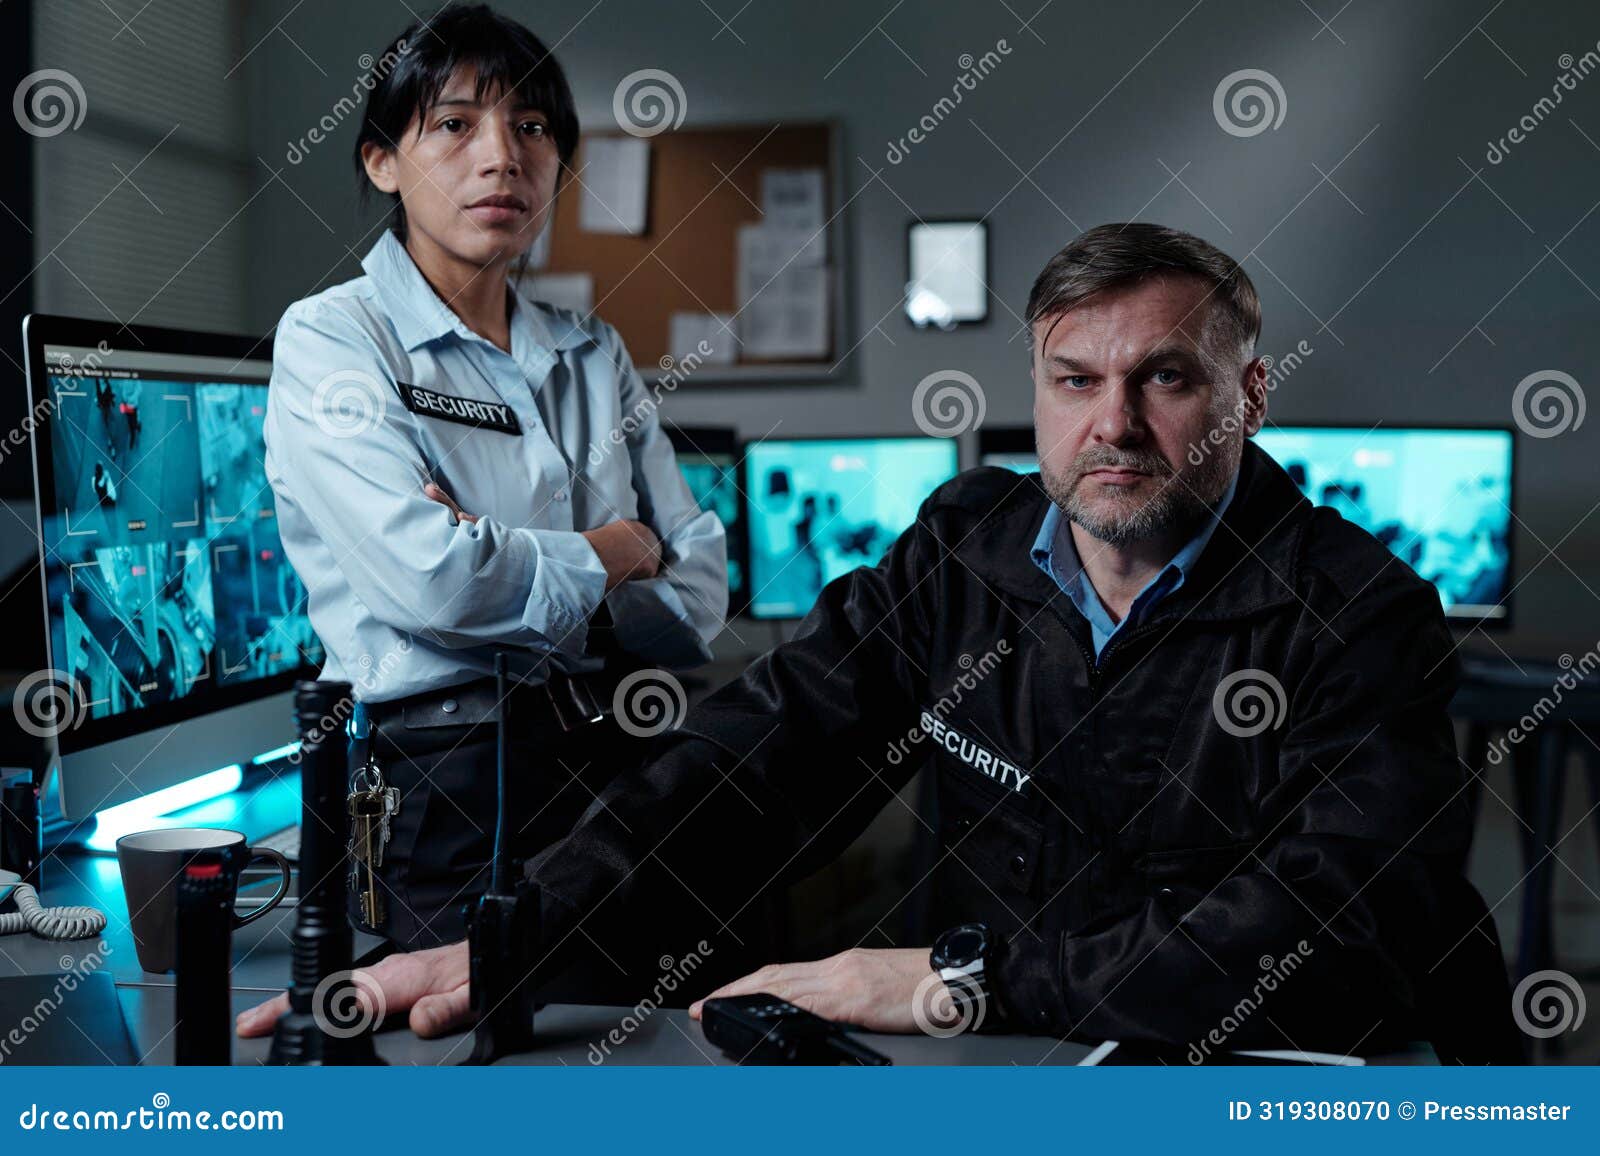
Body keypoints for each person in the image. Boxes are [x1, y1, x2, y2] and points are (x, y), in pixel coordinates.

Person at [242, 223, 1517, 1062]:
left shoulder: (1361, 615)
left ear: (1249, 394)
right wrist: (515, 935)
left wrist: (954, 976)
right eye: (1074, 380)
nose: (1114, 423)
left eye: (1166, 378)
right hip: (1012, 1067)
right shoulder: (965, 552)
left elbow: (1327, 932)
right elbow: (756, 756)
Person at [260, 4, 728, 960]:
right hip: (443, 783)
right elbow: (433, 583)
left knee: (641, 1031)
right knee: (460, 1037)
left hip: (615, 757)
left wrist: (499, 553)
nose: (503, 157)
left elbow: (702, 591)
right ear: (382, 162)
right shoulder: (332, 339)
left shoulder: (593, 351)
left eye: (533, 126)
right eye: (454, 124)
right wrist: (616, 550)